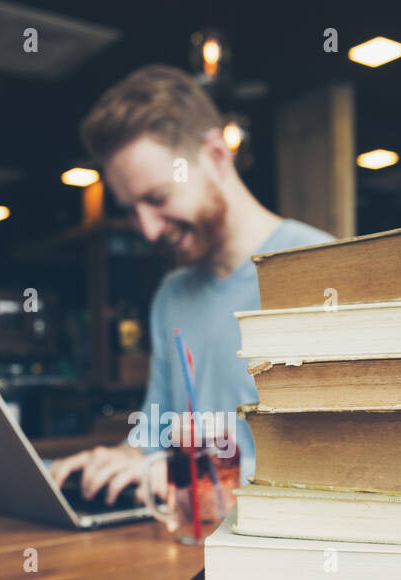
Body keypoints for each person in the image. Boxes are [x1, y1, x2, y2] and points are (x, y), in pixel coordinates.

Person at [48, 65, 333, 502]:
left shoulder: (323, 271)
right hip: (184, 543)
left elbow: (337, 467)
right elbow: (155, 434)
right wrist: (121, 459)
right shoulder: (171, 294)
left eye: (157, 198)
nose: (146, 229)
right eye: (132, 209)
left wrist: (182, 474)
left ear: (217, 155)